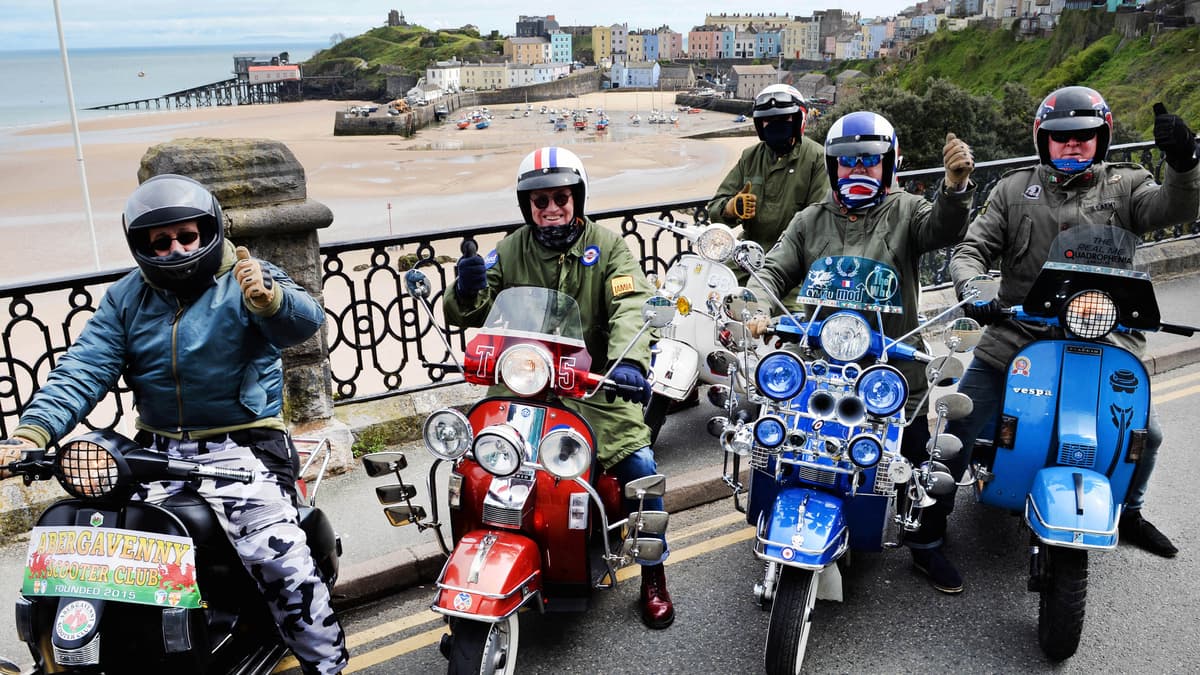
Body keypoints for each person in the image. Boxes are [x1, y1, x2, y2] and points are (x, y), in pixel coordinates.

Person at [0, 174, 349, 675]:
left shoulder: (250, 276)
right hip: (156, 452)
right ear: (141, 246)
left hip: (244, 448)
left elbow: (302, 324)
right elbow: (85, 368)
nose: (176, 249)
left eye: (187, 236)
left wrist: (270, 299)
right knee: (103, 548)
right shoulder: (127, 297)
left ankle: (326, 663)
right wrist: (29, 434)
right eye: (159, 242)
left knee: (282, 563)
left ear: (210, 230)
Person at [947, 86, 1200, 564]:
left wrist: (1184, 165)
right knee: (960, 418)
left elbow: (1175, 207)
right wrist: (974, 294)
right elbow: (969, 251)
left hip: (1105, 335)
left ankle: (1131, 513)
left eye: (1085, 136)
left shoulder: (1127, 185)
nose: (1073, 145)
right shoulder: (1013, 189)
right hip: (1018, 332)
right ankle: (929, 525)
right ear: (1043, 140)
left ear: (1102, 139)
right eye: (1061, 137)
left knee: (1149, 433)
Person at [745, 111, 977, 594]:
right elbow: (773, 269)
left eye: (870, 162)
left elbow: (944, 229)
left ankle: (926, 548)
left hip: (891, 370)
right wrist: (753, 303)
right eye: (847, 163)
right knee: (778, 442)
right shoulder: (810, 219)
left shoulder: (908, 211)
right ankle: (788, 520)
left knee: (920, 464)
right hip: (817, 364)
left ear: (889, 165)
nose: (857, 172)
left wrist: (955, 188)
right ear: (832, 168)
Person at [445, 146, 675, 629]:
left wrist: (628, 362)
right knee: (471, 461)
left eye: (561, 198)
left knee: (641, 466)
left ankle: (654, 575)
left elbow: (630, 302)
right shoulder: (511, 248)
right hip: (525, 386)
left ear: (578, 197)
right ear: (526, 206)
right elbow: (473, 308)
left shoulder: (609, 247)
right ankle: (474, 562)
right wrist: (464, 288)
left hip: (595, 389)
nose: (551, 208)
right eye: (540, 200)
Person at [706, 83, 828, 291]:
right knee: (710, 294)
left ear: (798, 120)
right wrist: (732, 207)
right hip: (747, 257)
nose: (775, 125)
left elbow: (820, 221)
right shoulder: (750, 157)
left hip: (795, 266)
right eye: (768, 121)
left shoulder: (817, 158)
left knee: (787, 316)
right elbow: (715, 208)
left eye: (783, 119)